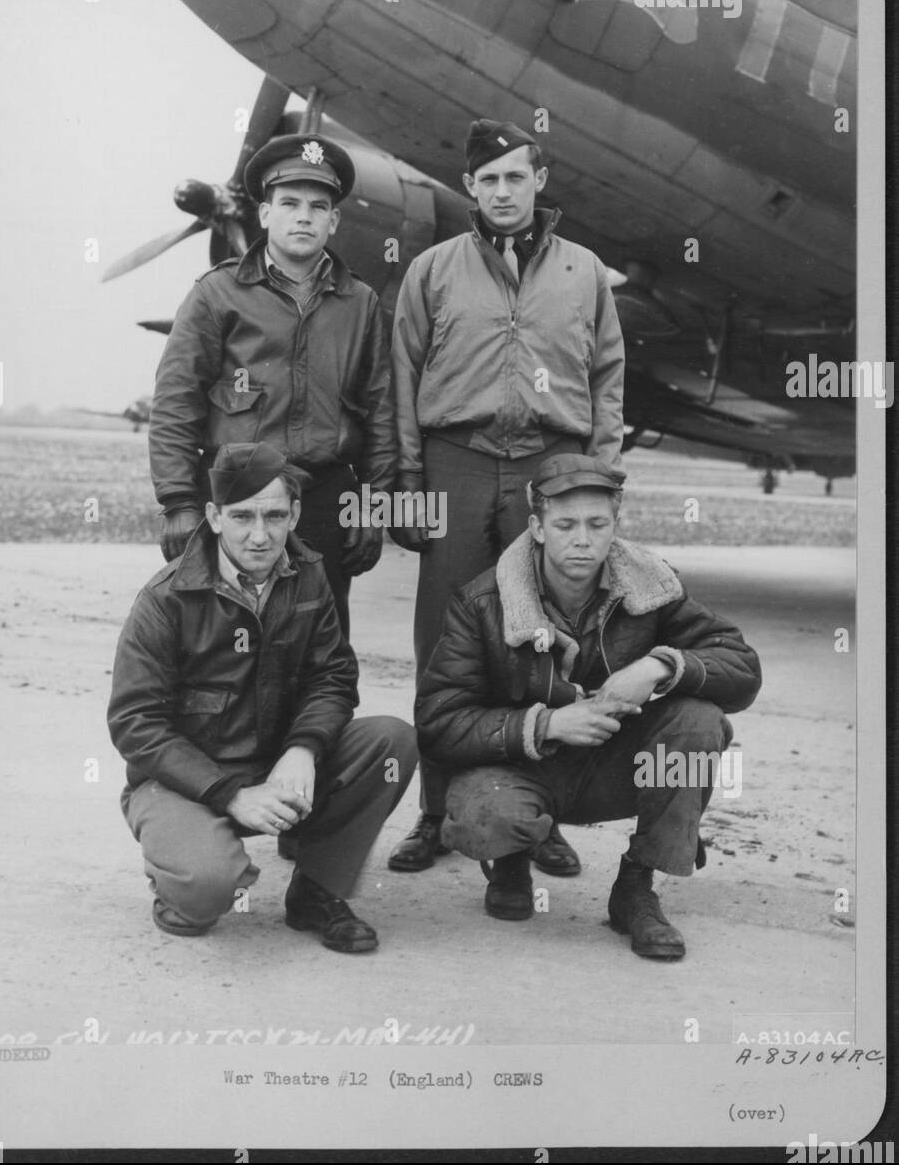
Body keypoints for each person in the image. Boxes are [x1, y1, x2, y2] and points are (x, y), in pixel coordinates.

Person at [388, 117, 627, 873]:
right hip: (456, 462)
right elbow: (401, 377)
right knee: (443, 647)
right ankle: (435, 813)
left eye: (514, 177)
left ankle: (536, 815)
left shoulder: (586, 272)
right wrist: (405, 481)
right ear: (468, 187)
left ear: (539, 181)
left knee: (549, 642)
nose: (500, 191)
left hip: (551, 469)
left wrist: (599, 480)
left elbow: (607, 380)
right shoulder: (431, 271)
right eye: (487, 180)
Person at [414, 455, 762, 960]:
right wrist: (546, 723)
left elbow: (742, 667)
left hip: (615, 767)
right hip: (521, 771)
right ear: (536, 528)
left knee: (700, 722)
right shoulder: (482, 602)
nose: (583, 539)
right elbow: (438, 722)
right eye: (565, 524)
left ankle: (636, 888)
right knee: (483, 814)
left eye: (598, 524)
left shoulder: (652, 587)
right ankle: (511, 859)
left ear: (615, 527)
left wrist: (659, 667)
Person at [108, 442, 417, 953]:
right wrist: (228, 793)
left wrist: (304, 748)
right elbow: (134, 723)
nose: (260, 535)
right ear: (212, 517)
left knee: (390, 741)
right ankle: (193, 872)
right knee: (203, 898)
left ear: (295, 513)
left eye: (275, 515)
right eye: (242, 516)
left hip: (277, 767)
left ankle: (318, 891)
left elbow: (333, 677)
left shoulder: (310, 575)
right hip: (184, 784)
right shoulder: (164, 600)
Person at [148, 133, 396, 636]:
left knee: (320, 643)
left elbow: (383, 413)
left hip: (326, 498)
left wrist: (374, 506)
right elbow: (176, 402)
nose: (303, 216)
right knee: (219, 638)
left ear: (335, 220)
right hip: (236, 491)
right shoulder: (216, 294)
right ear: (263, 214)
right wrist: (178, 501)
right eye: (289, 203)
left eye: (318, 206)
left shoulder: (362, 304)